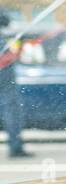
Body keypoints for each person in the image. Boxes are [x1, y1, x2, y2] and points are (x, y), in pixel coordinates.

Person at [0, 12, 29, 159]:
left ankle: (16, 145)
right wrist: (15, 53)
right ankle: (15, 147)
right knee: (11, 110)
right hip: (4, 75)